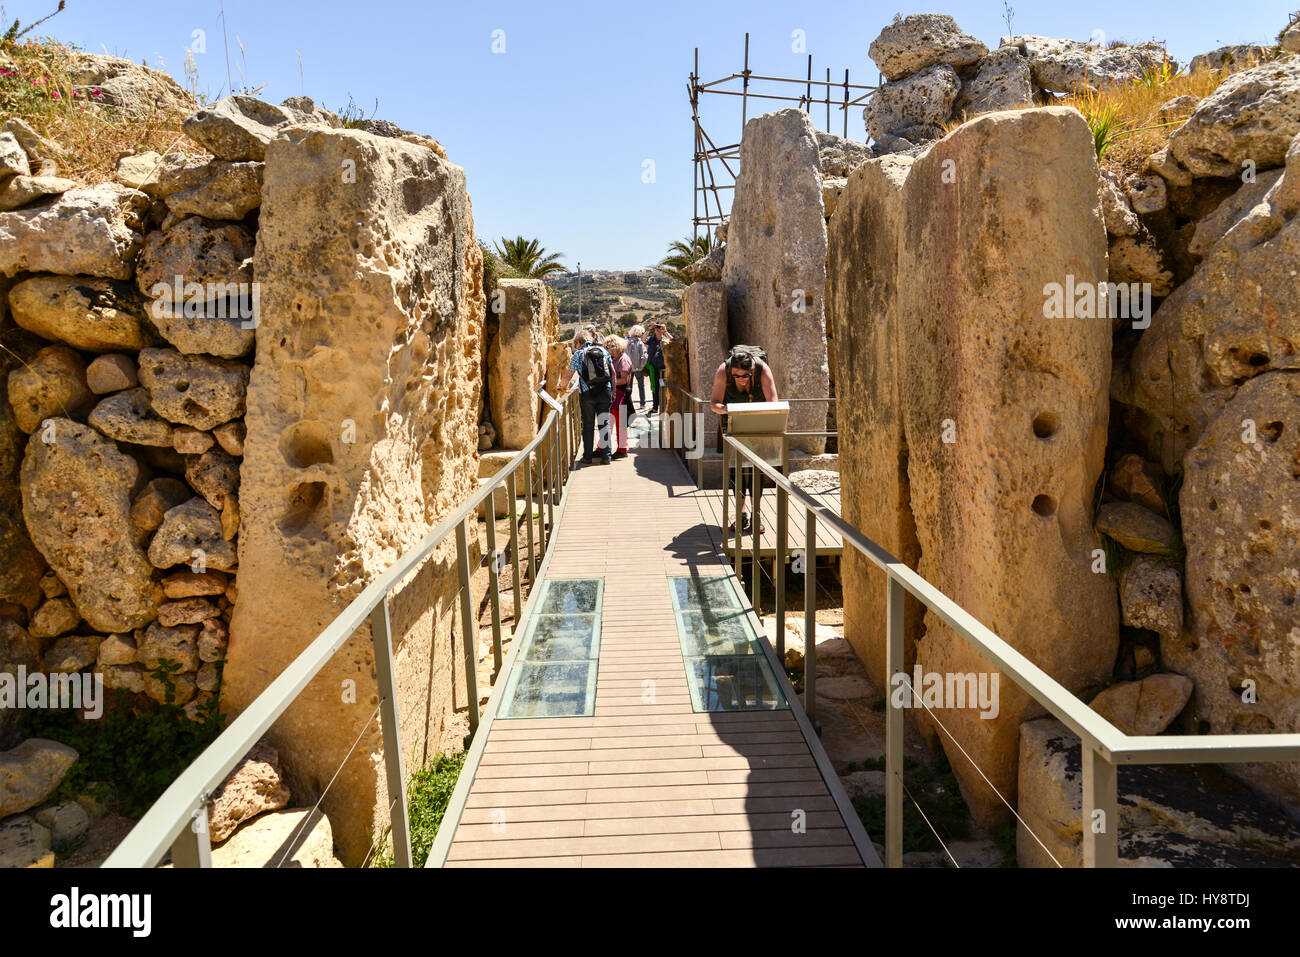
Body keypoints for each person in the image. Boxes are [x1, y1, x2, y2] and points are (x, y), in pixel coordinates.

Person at [710, 346, 779, 534]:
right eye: (736, 376)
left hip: (758, 426)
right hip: (732, 426)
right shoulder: (723, 371)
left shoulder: (763, 370)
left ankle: (757, 515)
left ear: (752, 371)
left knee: (757, 472)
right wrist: (729, 409)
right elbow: (714, 403)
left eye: (745, 376)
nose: (740, 380)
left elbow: (773, 402)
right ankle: (740, 515)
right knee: (736, 472)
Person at [558, 330, 613, 464]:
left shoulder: (578, 354)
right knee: (604, 424)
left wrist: (560, 386)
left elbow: (568, 375)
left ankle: (587, 457)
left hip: (587, 394)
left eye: (575, 344)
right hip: (605, 391)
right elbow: (612, 371)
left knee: (588, 425)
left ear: (578, 342)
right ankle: (606, 457)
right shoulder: (603, 351)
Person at [603, 334, 632, 459]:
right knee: (608, 422)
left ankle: (622, 449)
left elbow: (624, 380)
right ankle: (602, 448)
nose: (606, 349)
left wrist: (608, 381)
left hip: (620, 394)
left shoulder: (623, 359)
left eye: (607, 347)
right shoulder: (616, 358)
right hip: (615, 394)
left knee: (620, 424)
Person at [645, 322, 672, 413]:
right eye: (656, 328)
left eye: (659, 328)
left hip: (664, 368)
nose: (658, 329)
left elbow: (673, 341)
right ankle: (655, 407)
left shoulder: (665, 339)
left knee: (665, 387)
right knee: (655, 387)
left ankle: (665, 407)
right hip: (654, 368)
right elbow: (643, 339)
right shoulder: (651, 339)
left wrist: (665, 331)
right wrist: (649, 329)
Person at [625, 324, 649, 410]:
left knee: (628, 387)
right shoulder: (640, 343)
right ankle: (642, 403)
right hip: (639, 368)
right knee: (641, 385)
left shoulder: (626, 342)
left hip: (628, 369)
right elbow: (644, 356)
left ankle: (629, 404)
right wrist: (642, 366)